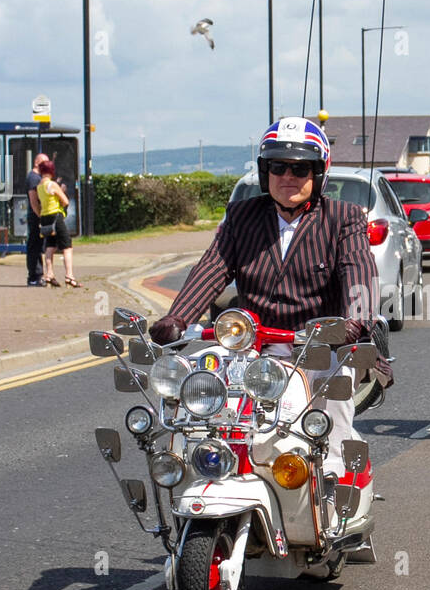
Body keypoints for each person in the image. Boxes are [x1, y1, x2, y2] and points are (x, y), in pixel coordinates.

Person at [147, 116, 389, 505]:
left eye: (300, 167)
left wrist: (353, 322)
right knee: (200, 377)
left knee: (333, 382)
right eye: (278, 166)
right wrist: (178, 319)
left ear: (319, 172)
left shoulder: (343, 218)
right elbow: (212, 266)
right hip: (254, 343)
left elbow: (358, 272)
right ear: (265, 171)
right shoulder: (243, 216)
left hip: (321, 342)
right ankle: (195, 463)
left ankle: (337, 481)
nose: (288, 176)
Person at [37, 160, 78, 287]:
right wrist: (62, 191)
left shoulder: (39, 186)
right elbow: (65, 201)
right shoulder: (52, 185)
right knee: (67, 245)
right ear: (51, 171)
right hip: (56, 217)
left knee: (50, 246)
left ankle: (49, 274)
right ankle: (69, 276)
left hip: (45, 217)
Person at [25, 153, 48, 286]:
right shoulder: (33, 178)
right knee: (34, 246)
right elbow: (34, 202)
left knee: (39, 245)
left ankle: (38, 274)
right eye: (43, 162)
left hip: (37, 215)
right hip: (35, 217)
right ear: (36, 162)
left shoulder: (38, 177)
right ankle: (34, 276)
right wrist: (41, 217)